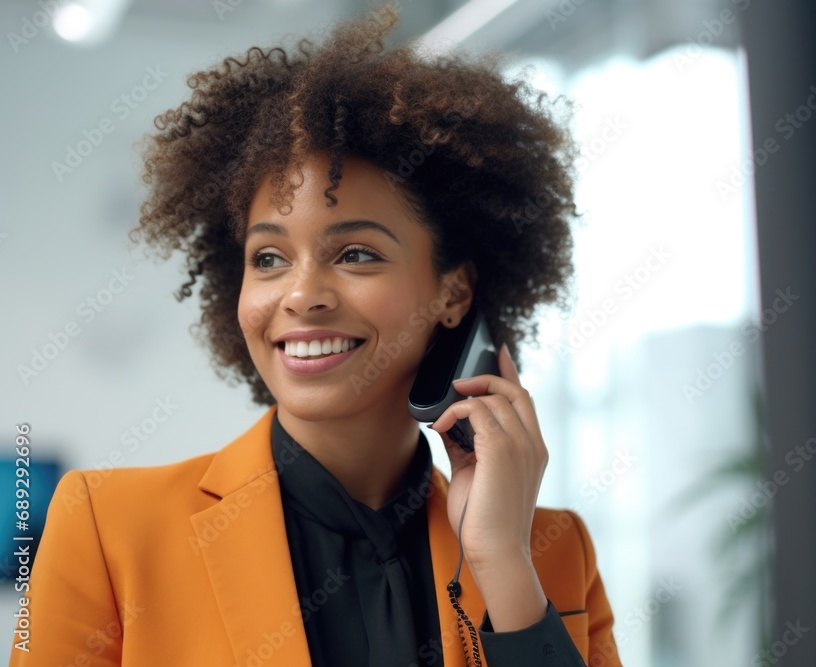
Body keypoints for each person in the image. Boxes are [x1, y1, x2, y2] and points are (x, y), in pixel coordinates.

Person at [9, 5, 621, 666]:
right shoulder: (109, 529)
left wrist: (502, 560)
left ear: (454, 292)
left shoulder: (552, 550)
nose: (300, 295)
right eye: (268, 258)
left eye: (356, 253)